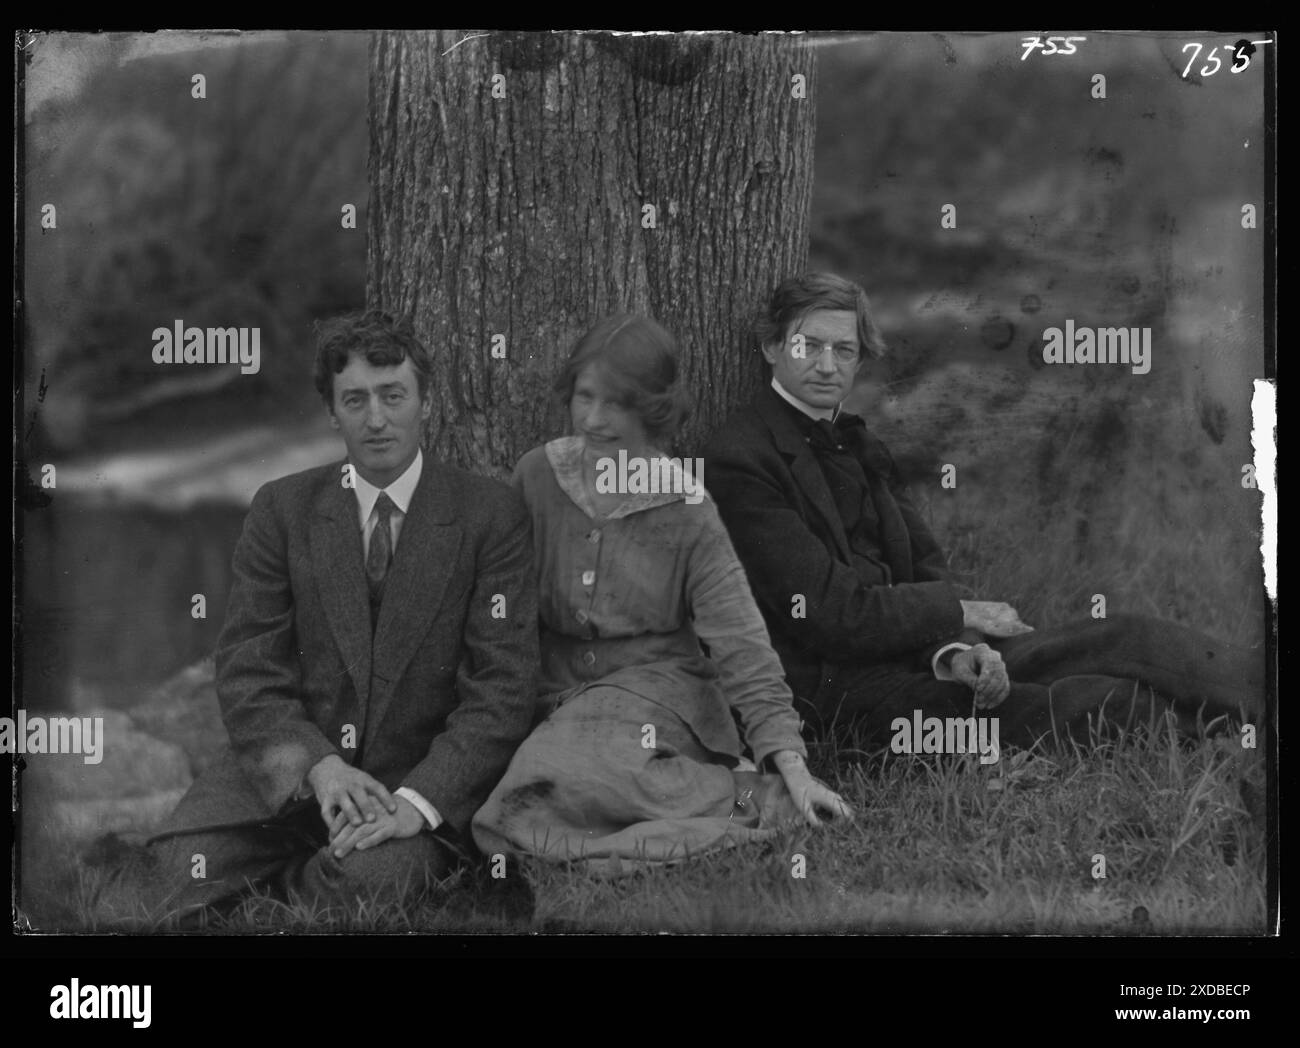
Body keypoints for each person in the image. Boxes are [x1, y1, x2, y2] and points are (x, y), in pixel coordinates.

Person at [703, 272, 1263, 749]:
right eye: (809, 346)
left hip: (917, 649)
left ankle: (1267, 690)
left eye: (843, 349)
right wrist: (959, 615)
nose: (827, 364)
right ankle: (1230, 725)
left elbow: (924, 564)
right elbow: (831, 615)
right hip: (838, 690)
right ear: (772, 347)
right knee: (1092, 701)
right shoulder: (740, 460)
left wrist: (955, 651)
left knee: (1122, 637)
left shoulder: (854, 439)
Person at [102, 310, 538, 923]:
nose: (377, 418)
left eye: (393, 395)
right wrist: (318, 767)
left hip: (404, 786)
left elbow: (503, 686)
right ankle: (282, 871)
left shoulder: (490, 515)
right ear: (332, 413)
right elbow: (249, 667)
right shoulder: (282, 509)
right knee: (171, 877)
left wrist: (420, 801)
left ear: (426, 402)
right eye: (354, 400)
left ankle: (290, 888)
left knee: (363, 885)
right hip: (291, 776)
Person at [472, 314, 850, 869]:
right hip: (554, 692)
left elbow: (740, 639)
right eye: (584, 398)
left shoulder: (685, 506)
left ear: (652, 409)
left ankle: (760, 796)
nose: (595, 420)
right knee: (528, 800)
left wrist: (790, 762)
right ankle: (701, 808)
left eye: (617, 405)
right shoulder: (536, 476)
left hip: (660, 693)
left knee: (560, 775)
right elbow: (498, 604)